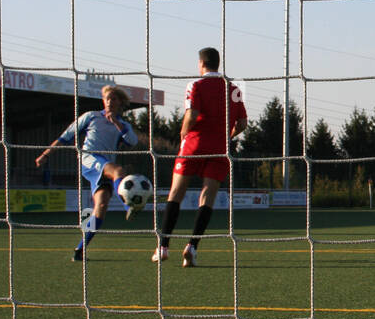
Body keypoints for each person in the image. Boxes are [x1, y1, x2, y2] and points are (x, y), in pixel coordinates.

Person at [152, 48, 248, 266]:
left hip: (194, 145)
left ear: (201, 63)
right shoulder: (234, 88)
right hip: (219, 148)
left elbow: (192, 114)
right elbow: (242, 124)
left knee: (176, 193)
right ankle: (192, 248)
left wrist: (183, 132)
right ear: (218, 63)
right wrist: (228, 137)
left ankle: (163, 247)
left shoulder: (195, 85)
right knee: (208, 196)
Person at [35, 85, 141, 261]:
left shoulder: (123, 125)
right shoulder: (91, 116)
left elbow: (132, 142)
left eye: (114, 99)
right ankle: (128, 205)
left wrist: (116, 123)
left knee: (100, 208)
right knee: (119, 171)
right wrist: (45, 154)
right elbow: (65, 136)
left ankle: (79, 250)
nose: (110, 102)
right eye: (107, 98)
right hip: (90, 159)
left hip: (105, 166)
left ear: (120, 102)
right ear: (103, 101)